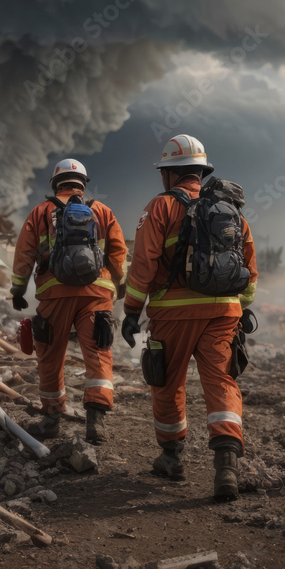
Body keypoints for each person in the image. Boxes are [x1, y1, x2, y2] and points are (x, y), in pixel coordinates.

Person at [120, 134, 258, 501]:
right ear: (200, 172)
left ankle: (172, 458)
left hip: (172, 315)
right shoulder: (232, 213)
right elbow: (250, 272)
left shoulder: (160, 207)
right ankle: (227, 464)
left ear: (169, 174)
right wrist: (238, 311)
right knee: (221, 382)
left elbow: (144, 265)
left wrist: (131, 312)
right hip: (223, 314)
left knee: (166, 381)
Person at [10, 158, 127, 444]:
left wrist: (17, 289)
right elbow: (118, 251)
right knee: (98, 352)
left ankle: (51, 420)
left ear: (56, 184)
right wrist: (119, 285)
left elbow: (24, 253)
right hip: (96, 294)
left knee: (50, 356)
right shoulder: (102, 211)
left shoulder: (41, 212)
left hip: (55, 293)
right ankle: (95, 423)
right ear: (83, 185)